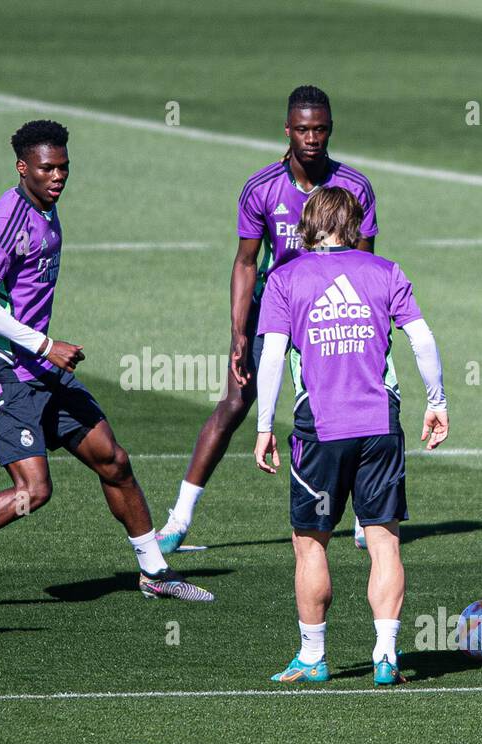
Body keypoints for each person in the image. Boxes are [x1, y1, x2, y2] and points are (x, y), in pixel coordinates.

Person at [0, 120, 215, 610]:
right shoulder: (8, 219)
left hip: (41, 370)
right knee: (33, 490)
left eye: (64, 167)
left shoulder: (46, 209)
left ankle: (154, 572)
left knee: (114, 460)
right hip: (1, 374)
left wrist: (44, 354)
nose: (58, 176)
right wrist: (45, 346)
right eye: (47, 168)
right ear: (22, 168)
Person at [157, 85, 379, 554]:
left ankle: (365, 515)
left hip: (334, 314)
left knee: (351, 403)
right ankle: (179, 518)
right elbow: (245, 262)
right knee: (235, 404)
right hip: (275, 311)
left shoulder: (354, 187)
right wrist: (238, 334)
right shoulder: (261, 188)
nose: (312, 138)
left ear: (331, 129)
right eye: (303, 129)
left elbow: (366, 264)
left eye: (320, 129)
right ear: (287, 131)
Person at [253, 186, 447, 685]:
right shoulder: (384, 272)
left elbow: (272, 355)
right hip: (380, 424)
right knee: (384, 542)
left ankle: (313, 657)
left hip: (319, 429)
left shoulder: (284, 278)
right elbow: (422, 339)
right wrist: (437, 401)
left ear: (308, 226)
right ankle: (386, 655)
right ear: (356, 225)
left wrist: (262, 426)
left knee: (311, 543)